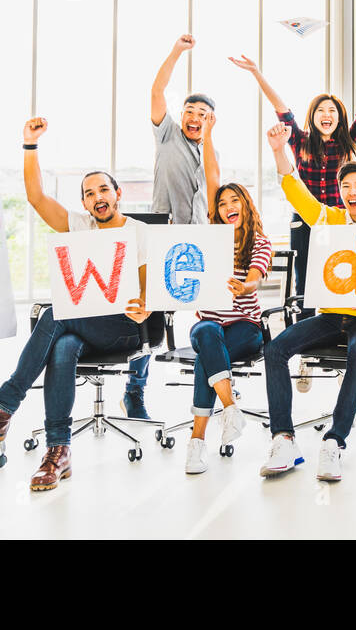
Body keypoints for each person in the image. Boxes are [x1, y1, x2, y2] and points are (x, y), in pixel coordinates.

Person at [0, 118, 149, 493]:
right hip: (81, 328)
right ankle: (58, 453)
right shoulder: (79, 225)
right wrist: (29, 145)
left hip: (121, 329)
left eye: (104, 189)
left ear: (118, 193)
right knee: (64, 344)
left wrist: (145, 307)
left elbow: (152, 292)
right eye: (89, 193)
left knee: (56, 315)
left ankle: (3, 408)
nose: (98, 197)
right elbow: (36, 197)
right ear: (84, 202)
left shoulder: (138, 232)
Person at [258, 123, 356, 483]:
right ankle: (283, 438)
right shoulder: (328, 219)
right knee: (275, 349)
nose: (352, 192)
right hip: (333, 314)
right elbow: (296, 192)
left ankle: (334, 441)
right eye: (345, 186)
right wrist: (278, 150)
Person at [228, 53, 356, 296]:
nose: (327, 115)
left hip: (338, 218)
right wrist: (256, 72)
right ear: (312, 116)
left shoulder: (348, 140)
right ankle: (306, 322)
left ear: (339, 117)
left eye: (332, 111)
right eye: (321, 110)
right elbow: (280, 107)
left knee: (343, 271)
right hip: (305, 218)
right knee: (303, 278)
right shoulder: (299, 139)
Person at [182, 112, 274, 476]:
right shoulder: (210, 241)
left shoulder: (259, 241)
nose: (227, 206)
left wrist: (246, 285)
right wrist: (206, 138)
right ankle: (230, 410)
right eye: (222, 204)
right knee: (205, 334)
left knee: (207, 356)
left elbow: (255, 277)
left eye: (234, 201)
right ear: (216, 212)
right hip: (210, 326)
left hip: (245, 329)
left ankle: (197, 443)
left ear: (245, 206)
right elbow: (210, 178)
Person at [142, 32, 218, 421]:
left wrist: (211, 139)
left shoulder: (210, 149)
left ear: (211, 121)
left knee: (211, 312)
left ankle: (215, 383)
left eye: (203, 115)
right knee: (147, 313)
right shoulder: (167, 133)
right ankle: (135, 390)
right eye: (190, 111)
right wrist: (176, 51)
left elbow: (218, 192)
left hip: (200, 237)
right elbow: (158, 89)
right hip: (163, 232)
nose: (194, 118)